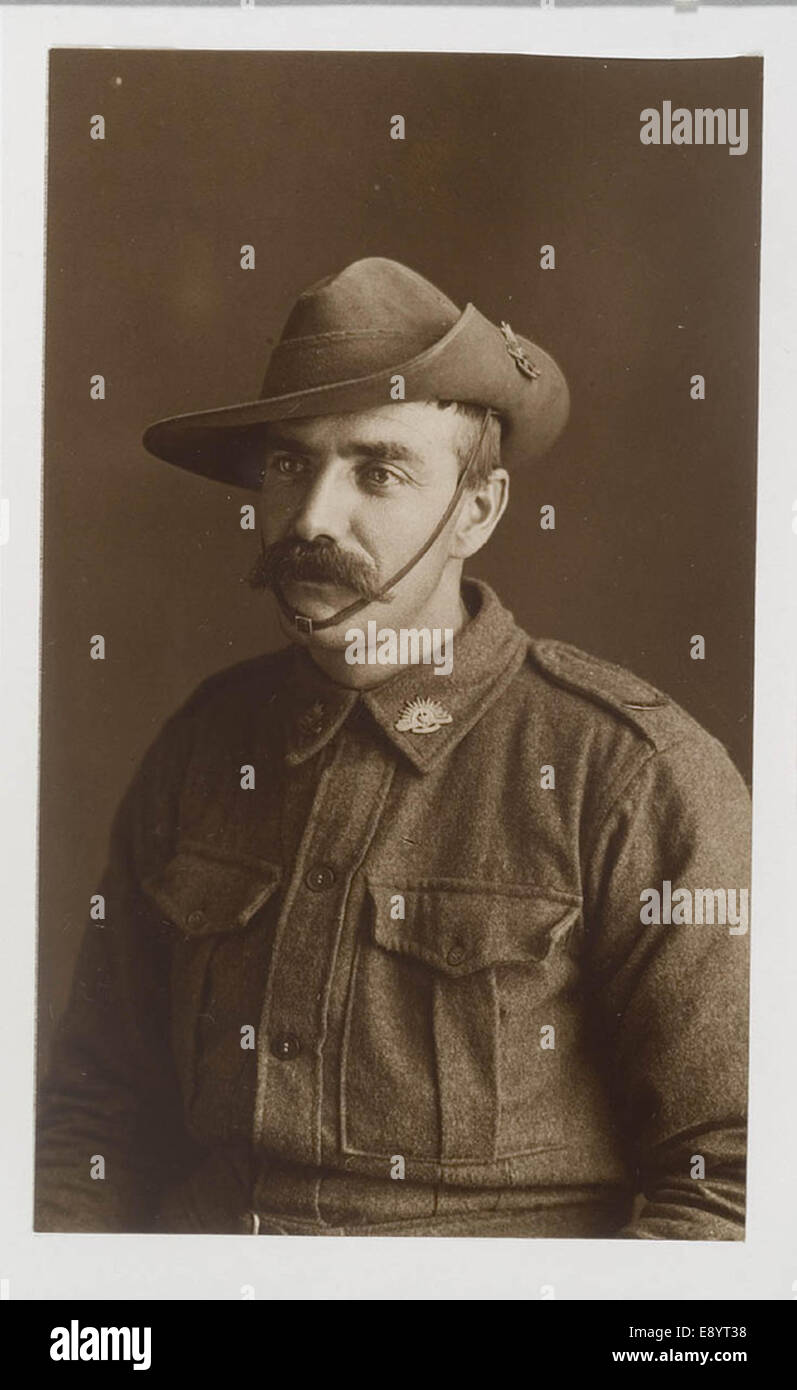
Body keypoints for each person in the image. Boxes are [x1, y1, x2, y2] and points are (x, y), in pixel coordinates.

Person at [36, 257, 750, 1238]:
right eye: (290, 464)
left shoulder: (628, 773)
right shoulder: (204, 746)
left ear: (477, 511)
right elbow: (91, 1123)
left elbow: (734, 1184)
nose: (314, 518)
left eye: (377, 470)